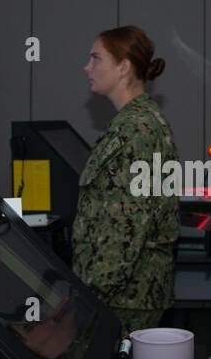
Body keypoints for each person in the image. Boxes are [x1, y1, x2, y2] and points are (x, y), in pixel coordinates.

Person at [71, 26, 179, 337]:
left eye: (95, 59)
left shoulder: (136, 131)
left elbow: (126, 227)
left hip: (123, 296)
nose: (86, 67)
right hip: (129, 291)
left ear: (123, 67)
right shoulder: (139, 122)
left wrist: (91, 295)